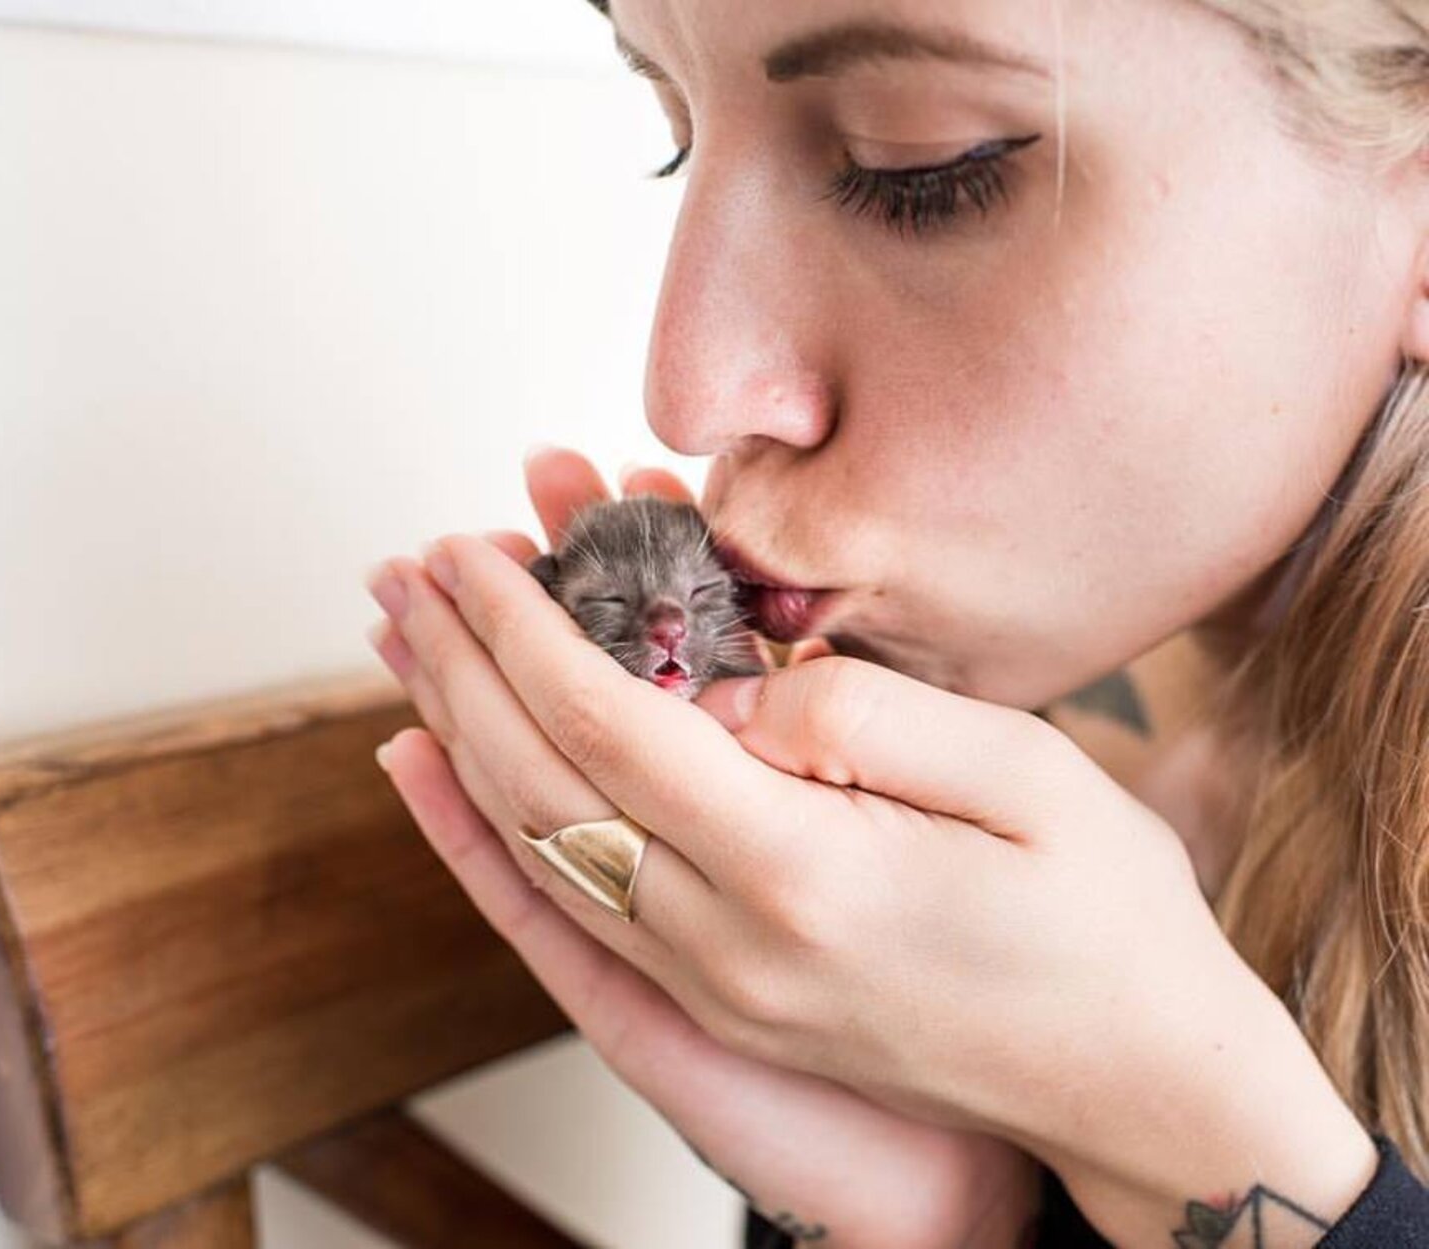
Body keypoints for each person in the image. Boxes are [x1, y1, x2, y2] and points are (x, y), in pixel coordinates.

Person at [365, 0, 1429, 1244]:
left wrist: (1175, 1130)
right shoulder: (926, 852)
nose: (688, 394)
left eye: (913, 168)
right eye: (677, 135)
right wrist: (940, 1217)